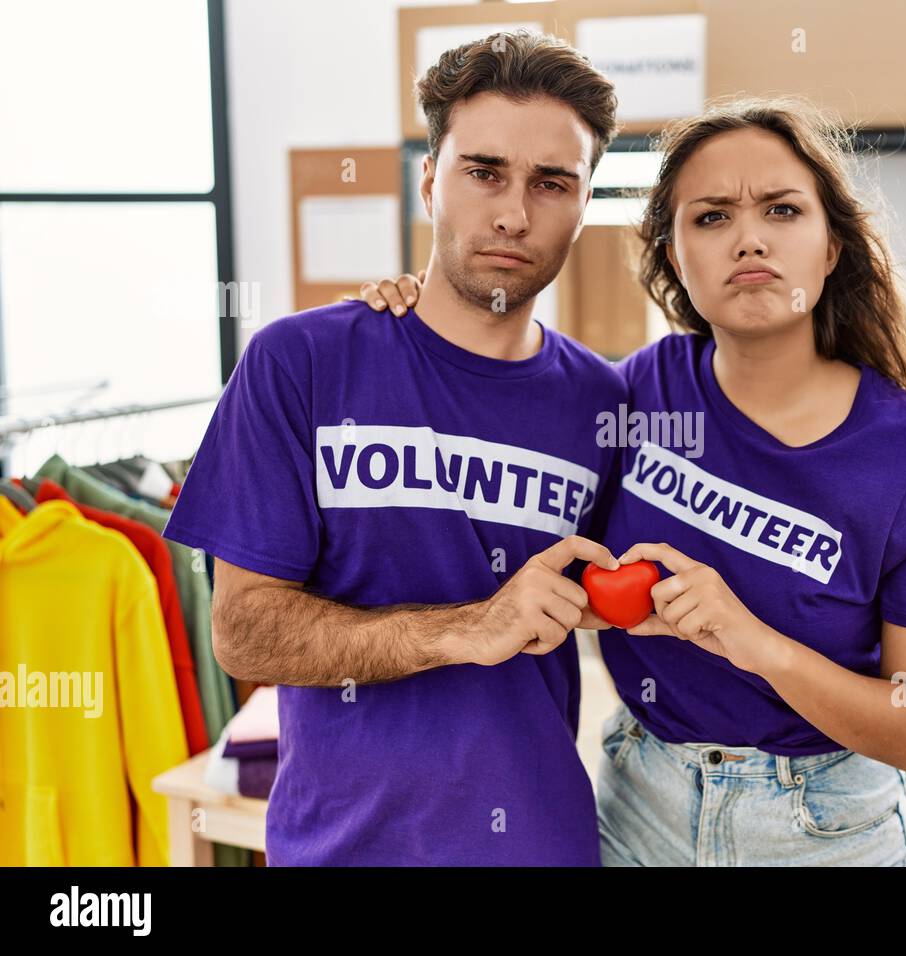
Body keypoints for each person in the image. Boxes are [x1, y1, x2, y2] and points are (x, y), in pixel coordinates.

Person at [362, 96, 906, 866]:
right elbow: (490, 410)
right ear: (672, 257)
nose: (750, 239)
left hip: (821, 830)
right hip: (640, 804)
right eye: (712, 217)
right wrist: (404, 316)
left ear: (832, 247)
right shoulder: (632, 393)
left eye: (783, 210)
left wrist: (752, 643)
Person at [164, 31, 627, 866]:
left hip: (542, 842)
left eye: (551, 183)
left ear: (585, 204)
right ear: (428, 180)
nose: (514, 213)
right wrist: (470, 628)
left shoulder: (607, 403)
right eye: (483, 171)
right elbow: (244, 633)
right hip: (341, 847)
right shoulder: (300, 363)